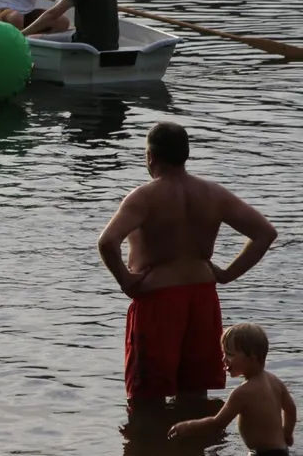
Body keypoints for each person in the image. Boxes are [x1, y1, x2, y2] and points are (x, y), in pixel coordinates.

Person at [97, 122, 278, 410]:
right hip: (203, 299)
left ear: (151, 157)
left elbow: (107, 243)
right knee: (195, 396)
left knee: (146, 402)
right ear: (186, 154)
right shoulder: (213, 193)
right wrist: (228, 274)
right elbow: (265, 233)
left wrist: (125, 280)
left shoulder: (144, 197)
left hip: (158, 301)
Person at [169, 324, 296, 456]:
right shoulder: (275, 381)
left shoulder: (242, 393)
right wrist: (287, 434)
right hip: (281, 451)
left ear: (252, 358)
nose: (224, 359)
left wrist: (189, 426)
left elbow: (218, 423)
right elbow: (291, 409)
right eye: (224, 353)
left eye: (229, 355)